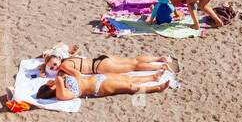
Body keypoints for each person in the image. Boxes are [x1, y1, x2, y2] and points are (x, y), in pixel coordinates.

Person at [35, 66, 171, 101]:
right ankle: (156, 88)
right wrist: (57, 80)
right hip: (99, 87)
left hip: (98, 78)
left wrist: (64, 72)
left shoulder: (63, 83)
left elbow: (77, 75)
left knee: (128, 79)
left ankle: (153, 77)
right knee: (129, 87)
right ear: (49, 88)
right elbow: (59, 81)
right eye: (49, 85)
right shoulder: (61, 94)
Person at [37, 44, 172, 76]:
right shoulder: (68, 58)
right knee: (133, 60)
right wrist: (44, 68)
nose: (55, 67)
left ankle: (160, 67)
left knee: (134, 67)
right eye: (52, 67)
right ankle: (159, 58)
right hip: (101, 58)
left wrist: (61, 76)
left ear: (58, 60)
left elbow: (78, 75)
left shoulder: (64, 66)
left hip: (100, 67)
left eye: (54, 64)